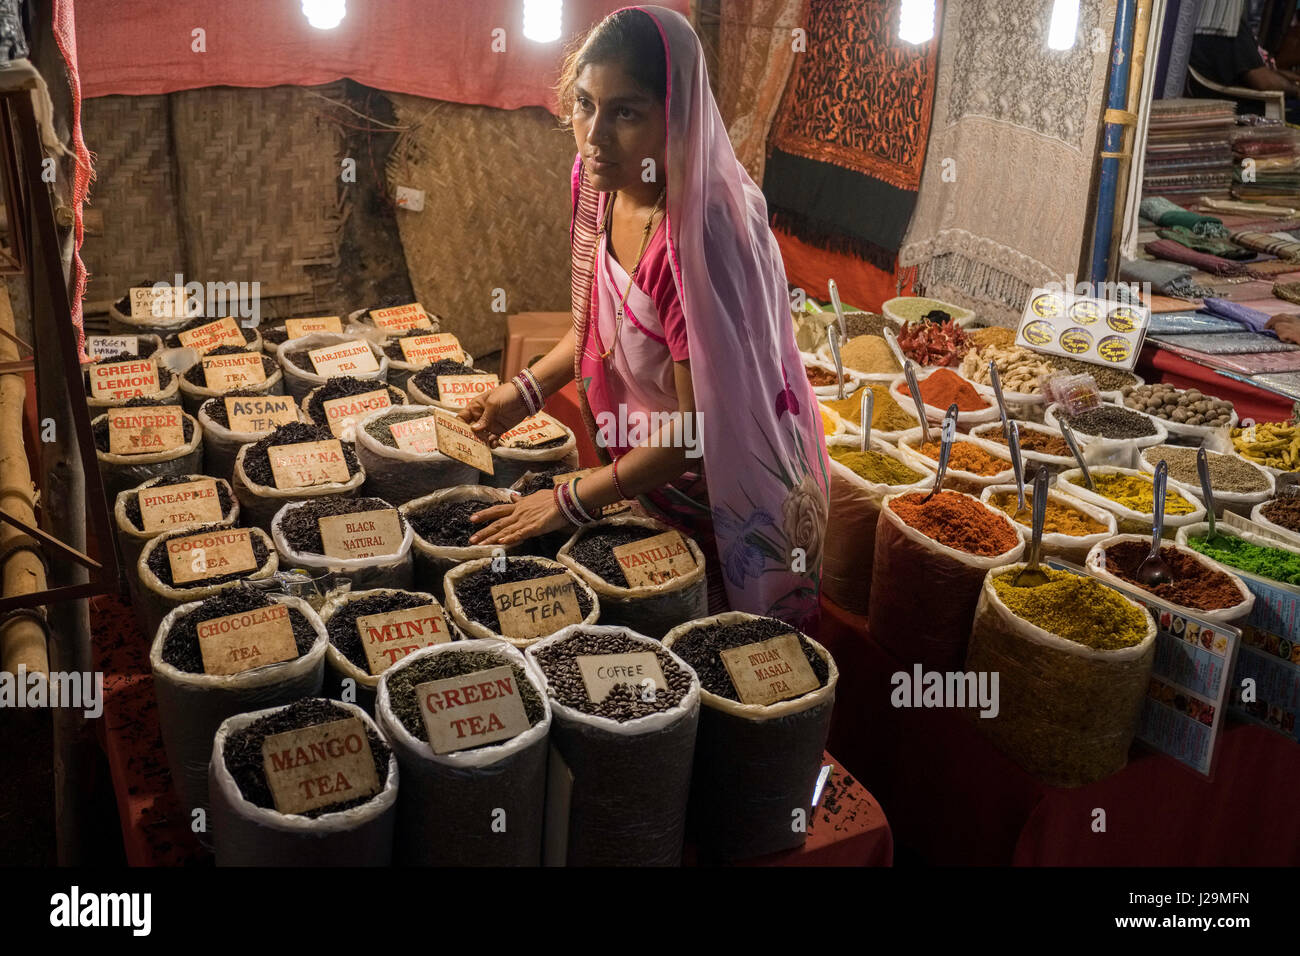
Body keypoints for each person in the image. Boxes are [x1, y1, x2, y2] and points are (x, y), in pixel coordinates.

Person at [457, 5, 830, 631]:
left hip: (719, 497)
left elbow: (695, 435)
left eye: (625, 111)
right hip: (641, 475)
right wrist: (522, 395)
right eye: (584, 104)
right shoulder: (600, 184)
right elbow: (600, 326)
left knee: (718, 664)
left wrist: (572, 499)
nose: (595, 134)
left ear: (675, 116)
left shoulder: (697, 239)